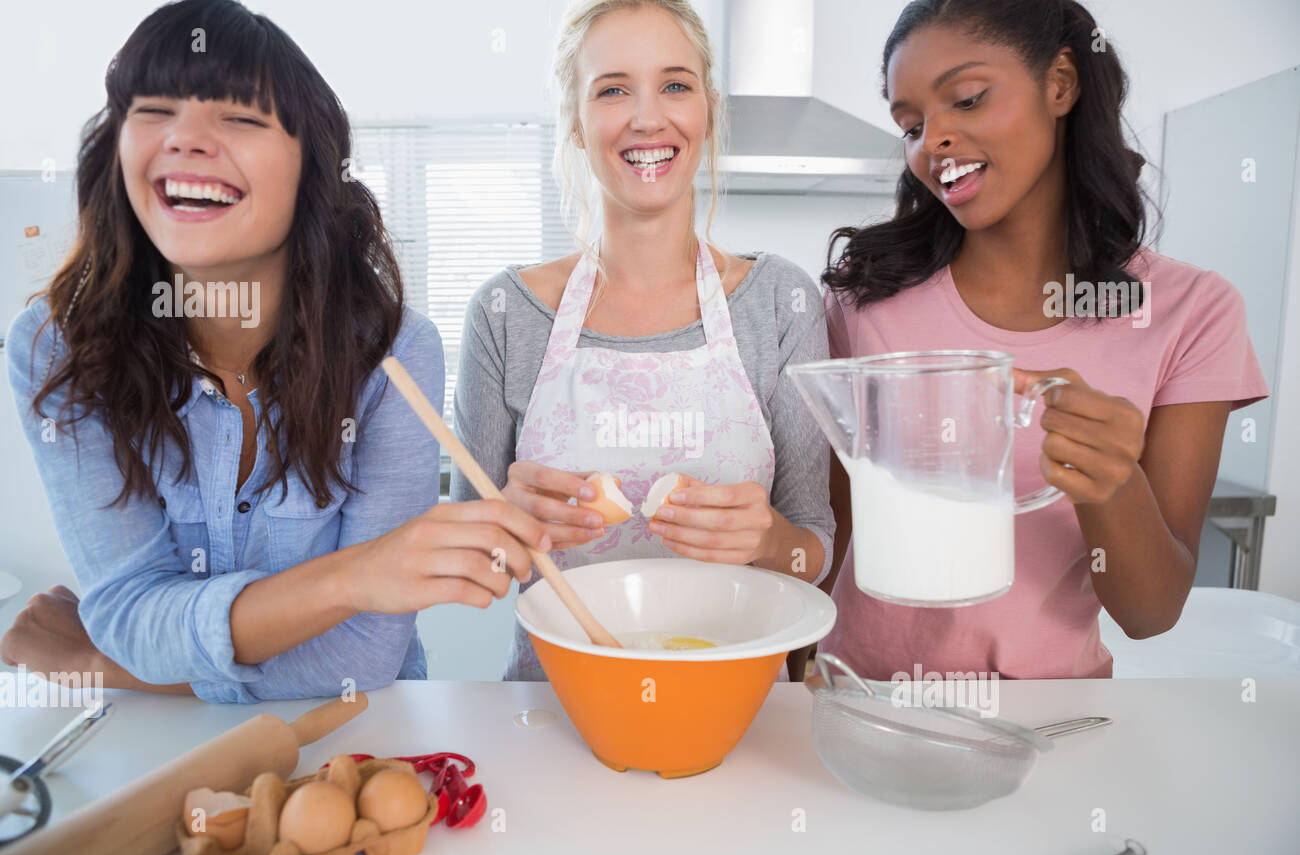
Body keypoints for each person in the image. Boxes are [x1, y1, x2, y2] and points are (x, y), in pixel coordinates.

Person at [3, 0, 548, 702]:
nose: (186, 139)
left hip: (357, 739)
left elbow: (364, 661)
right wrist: (354, 577)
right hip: (154, 751)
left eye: (240, 118)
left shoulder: (393, 355)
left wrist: (110, 667)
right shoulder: (56, 351)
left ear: (310, 174)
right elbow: (130, 613)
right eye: (155, 110)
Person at [818, 0, 1269, 680]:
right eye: (910, 125)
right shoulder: (865, 297)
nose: (931, 141)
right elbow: (831, 535)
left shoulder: (1193, 312)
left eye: (966, 100)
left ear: (1060, 84)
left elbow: (1150, 612)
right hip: (863, 701)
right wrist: (787, 680)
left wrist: (1110, 484)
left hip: (1054, 723)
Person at [451, 0, 835, 681]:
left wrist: (770, 538)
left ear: (708, 110)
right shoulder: (506, 314)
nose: (648, 117)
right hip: (553, 711)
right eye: (613, 89)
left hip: (737, 711)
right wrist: (508, 529)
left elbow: (815, 550)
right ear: (574, 119)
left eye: (675, 85)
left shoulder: (782, 303)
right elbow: (472, 570)